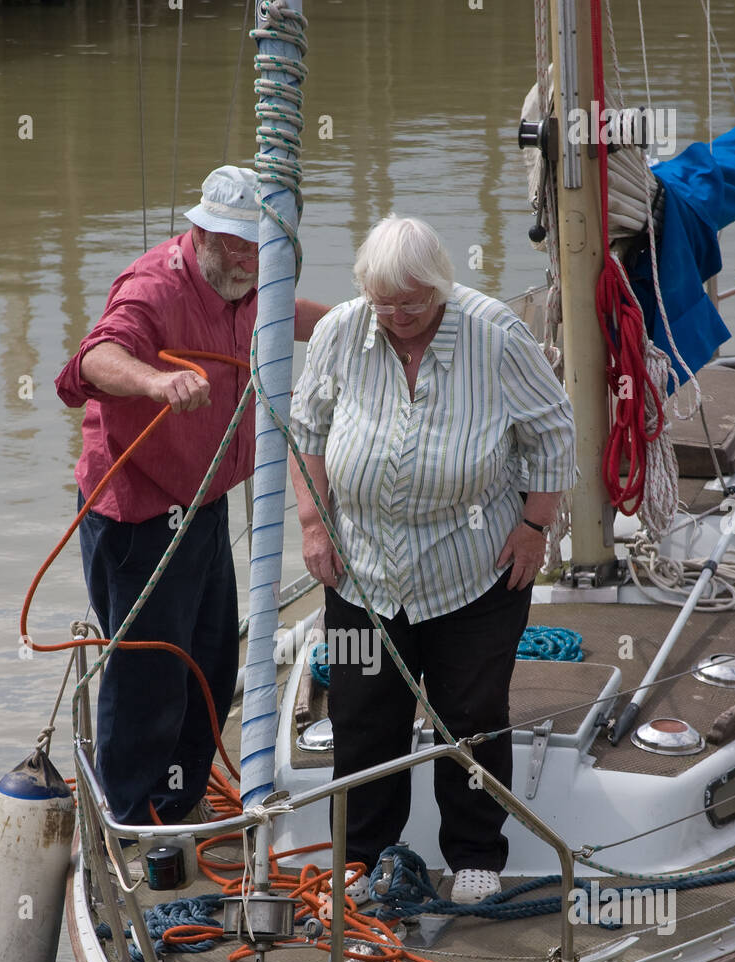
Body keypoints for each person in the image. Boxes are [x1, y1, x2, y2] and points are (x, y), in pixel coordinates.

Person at [289, 215, 576, 906]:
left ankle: (476, 853)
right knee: (362, 715)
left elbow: (552, 430)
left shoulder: (494, 333)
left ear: (441, 288)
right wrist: (313, 526)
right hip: (362, 576)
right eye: (383, 305)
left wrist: (536, 524)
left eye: (412, 305)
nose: (396, 319)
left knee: (470, 714)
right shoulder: (341, 333)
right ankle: (360, 857)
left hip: (473, 572)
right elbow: (307, 430)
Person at [55, 165, 328, 827]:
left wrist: (374, 321)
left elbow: (296, 315)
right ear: (202, 232)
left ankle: (181, 794)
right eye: (239, 246)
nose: (251, 261)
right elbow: (95, 358)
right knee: (151, 669)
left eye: (262, 248)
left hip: (202, 500)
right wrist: (154, 383)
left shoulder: (249, 281)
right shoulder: (154, 288)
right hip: (141, 512)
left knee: (208, 656)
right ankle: (134, 819)